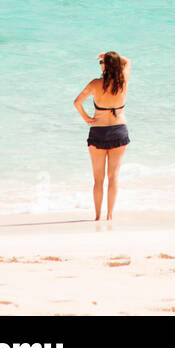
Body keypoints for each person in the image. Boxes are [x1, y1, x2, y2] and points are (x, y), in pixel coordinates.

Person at [74, 51, 131, 222]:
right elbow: (128, 62)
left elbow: (77, 102)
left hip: (98, 131)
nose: (100, 64)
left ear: (106, 65)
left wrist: (86, 118)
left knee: (98, 179)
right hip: (119, 130)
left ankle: (97, 216)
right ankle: (110, 215)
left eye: (102, 62)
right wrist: (111, 56)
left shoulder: (95, 83)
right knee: (113, 177)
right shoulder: (124, 82)